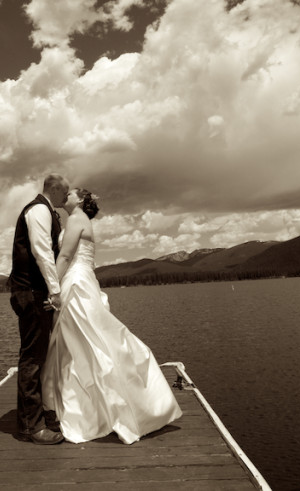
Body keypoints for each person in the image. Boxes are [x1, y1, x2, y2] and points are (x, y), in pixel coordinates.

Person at [42, 188, 182, 444]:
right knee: (83, 345)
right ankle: (90, 406)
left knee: (83, 345)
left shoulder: (76, 219)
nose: (65, 195)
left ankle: (94, 410)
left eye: (70, 193)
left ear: (81, 200)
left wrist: (52, 288)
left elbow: (64, 255)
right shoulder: (78, 220)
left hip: (75, 282)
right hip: (83, 279)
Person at [9, 173, 70, 444]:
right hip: (33, 293)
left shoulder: (47, 210)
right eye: (65, 193)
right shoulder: (38, 210)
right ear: (54, 189)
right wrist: (55, 291)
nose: (67, 198)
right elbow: (41, 250)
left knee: (38, 357)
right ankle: (31, 428)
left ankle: (36, 418)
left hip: (35, 292)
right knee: (32, 359)